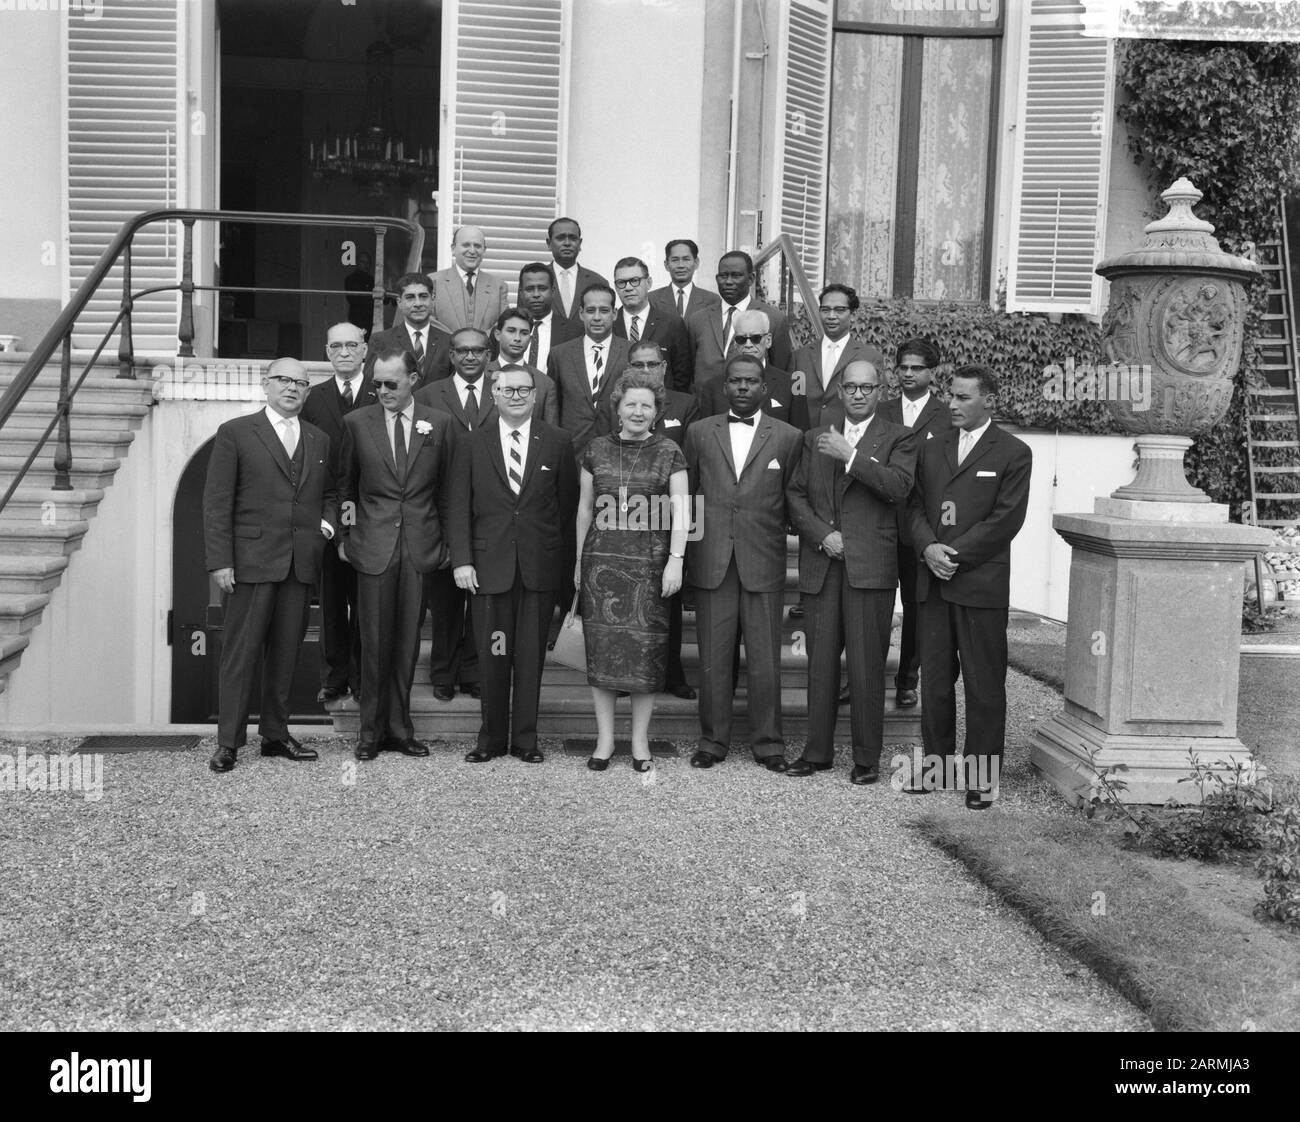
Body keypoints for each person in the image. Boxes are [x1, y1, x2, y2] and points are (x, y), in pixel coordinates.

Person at [905, 365, 1032, 809]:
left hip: (979, 587)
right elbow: (914, 506)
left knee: (982, 686)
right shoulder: (932, 446)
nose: (953, 405)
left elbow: (1006, 521)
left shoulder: (1014, 452)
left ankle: (981, 778)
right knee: (936, 682)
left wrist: (950, 555)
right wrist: (927, 549)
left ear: (987, 400)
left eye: (962, 398)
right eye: (952, 396)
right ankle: (936, 769)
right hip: (934, 585)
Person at [203, 358, 339, 773]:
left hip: (300, 564)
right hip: (250, 564)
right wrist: (220, 562)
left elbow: (330, 494)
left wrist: (326, 528)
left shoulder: (318, 439)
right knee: (241, 654)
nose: (292, 388)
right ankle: (229, 742)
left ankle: (276, 735)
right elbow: (217, 502)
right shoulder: (237, 433)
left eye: (301, 383)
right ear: (266, 384)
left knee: (286, 653)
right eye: (284, 380)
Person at [786, 360, 916, 784]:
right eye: (851, 388)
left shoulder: (899, 437)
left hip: (871, 569)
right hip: (823, 564)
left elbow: (898, 488)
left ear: (881, 391)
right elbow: (796, 497)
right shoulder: (813, 439)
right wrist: (823, 535)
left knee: (866, 666)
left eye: (867, 388)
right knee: (819, 665)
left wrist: (852, 456)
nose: (859, 394)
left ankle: (866, 759)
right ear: (839, 391)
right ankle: (817, 752)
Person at [448, 364, 578, 766]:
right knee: (492, 653)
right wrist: (462, 560)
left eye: (524, 390)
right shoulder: (472, 443)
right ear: (494, 395)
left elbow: (567, 508)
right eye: (509, 390)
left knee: (529, 655)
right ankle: (490, 739)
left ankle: (525, 739)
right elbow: (457, 507)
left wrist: (566, 571)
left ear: (536, 396)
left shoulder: (556, 441)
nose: (517, 396)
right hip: (488, 568)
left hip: (538, 568)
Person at [685, 353, 802, 772]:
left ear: (764, 388)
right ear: (724, 386)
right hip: (712, 560)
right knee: (713, 660)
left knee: (766, 662)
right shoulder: (699, 433)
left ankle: (769, 744)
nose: (742, 388)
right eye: (735, 381)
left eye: (751, 381)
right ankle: (712, 741)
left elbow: (794, 499)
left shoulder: (789, 437)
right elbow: (687, 498)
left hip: (762, 560)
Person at [339, 346, 455, 761]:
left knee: (406, 643)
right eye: (377, 384)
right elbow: (345, 488)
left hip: (420, 546)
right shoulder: (355, 423)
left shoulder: (439, 424)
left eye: (391, 383)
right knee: (373, 643)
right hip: (372, 547)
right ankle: (369, 732)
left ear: (413, 379)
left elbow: (448, 490)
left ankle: (400, 729)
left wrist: (447, 544)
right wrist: (347, 536)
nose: (383, 390)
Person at [575, 369, 689, 771]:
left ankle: (640, 741)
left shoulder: (669, 451)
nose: (638, 411)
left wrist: (676, 561)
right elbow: (585, 509)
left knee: (646, 657)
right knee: (603, 655)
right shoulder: (595, 449)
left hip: (650, 569)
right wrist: (578, 562)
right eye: (631, 404)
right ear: (618, 409)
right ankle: (604, 740)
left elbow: (682, 512)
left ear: (656, 411)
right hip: (601, 566)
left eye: (646, 405)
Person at [599, 340, 700, 700]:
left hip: (666, 517)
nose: (645, 370)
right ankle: (623, 672)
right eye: (638, 364)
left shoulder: (686, 404)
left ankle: (671, 673)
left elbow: (692, 464)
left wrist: (681, 544)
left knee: (664, 606)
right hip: (618, 518)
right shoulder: (623, 403)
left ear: (664, 365)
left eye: (652, 363)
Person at [414, 327, 494, 703]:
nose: (470, 357)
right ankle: (443, 671)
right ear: (451, 355)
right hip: (441, 506)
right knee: (445, 600)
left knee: (481, 600)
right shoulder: (428, 395)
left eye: (477, 350)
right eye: (462, 351)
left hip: (491, 509)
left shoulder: (504, 391)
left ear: (488, 355)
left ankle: (473, 670)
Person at [301, 322, 377, 703]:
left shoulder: (382, 393)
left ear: (365, 349)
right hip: (328, 510)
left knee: (365, 600)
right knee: (331, 598)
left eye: (352, 345)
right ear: (327, 352)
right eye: (336, 346)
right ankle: (334, 676)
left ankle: (363, 678)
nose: (344, 352)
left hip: (371, 509)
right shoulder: (313, 399)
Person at [879, 336, 950, 708]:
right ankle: (861, 678)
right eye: (903, 367)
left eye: (917, 368)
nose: (908, 373)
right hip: (879, 521)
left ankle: (907, 679)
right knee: (872, 605)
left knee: (916, 607)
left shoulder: (945, 416)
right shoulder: (881, 409)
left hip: (920, 526)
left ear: (932, 372)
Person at [686, 250, 793, 386]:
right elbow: (689, 371)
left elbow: (781, 372)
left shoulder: (774, 318)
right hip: (705, 404)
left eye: (736, 276)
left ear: (751, 279)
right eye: (723, 276)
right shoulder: (698, 319)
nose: (729, 282)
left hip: (754, 403)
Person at [548, 282, 629, 455]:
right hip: (573, 449)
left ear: (614, 314)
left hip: (619, 450)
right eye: (591, 310)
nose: (597, 317)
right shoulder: (559, 354)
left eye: (604, 310)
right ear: (581, 313)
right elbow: (554, 407)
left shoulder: (630, 353)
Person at [694, 308, 805, 429]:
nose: (748, 345)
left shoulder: (791, 385)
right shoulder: (713, 387)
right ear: (735, 344)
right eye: (741, 339)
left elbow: (800, 434)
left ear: (768, 340)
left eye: (755, 338)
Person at [790, 284, 877, 428]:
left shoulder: (870, 357)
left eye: (839, 310)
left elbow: (878, 407)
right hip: (804, 442)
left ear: (853, 314)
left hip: (847, 443)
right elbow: (793, 402)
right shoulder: (799, 357)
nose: (831, 316)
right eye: (825, 310)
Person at [610, 256, 692, 391]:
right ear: (616, 287)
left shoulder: (672, 323)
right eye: (621, 282)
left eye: (635, 281)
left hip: (662, 406)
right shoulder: (609, 324)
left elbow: (682, 375)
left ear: (648, 283)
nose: (628, 287)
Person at [364, 272, 452, 384]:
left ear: (433, 299)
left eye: (423, 296)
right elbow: (370, 385)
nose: (418, 303)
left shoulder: (448, 341)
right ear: (399, 302)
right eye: (410, 298)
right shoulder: (381, 341)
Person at [488, 305, 561, 426]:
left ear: (530, 339)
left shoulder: (545, 384)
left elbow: (550, 435)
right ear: (497, 334)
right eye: (511, 331)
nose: (517, 338)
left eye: (524, 333)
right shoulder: (481, 375)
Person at [429, 225, 509, 334]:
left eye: (477, 246)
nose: (472, 251)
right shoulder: (434, 282)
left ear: (484, 250)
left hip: (485, 348)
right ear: (453, 249)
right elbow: (429, 320)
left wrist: (480, 341)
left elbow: (503, 323)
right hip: (445, 349)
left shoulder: (498, 286)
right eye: (466, 245)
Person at [517, 262, 582, 372]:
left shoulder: (574, 332)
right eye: (529, 289)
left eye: (542, 288)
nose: (536, 294)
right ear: (521, 293)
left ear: (553, 291)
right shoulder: (505, 329)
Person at [546, 217, 608, 331]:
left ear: (580, 244)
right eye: (560, 238)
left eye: (573, 238)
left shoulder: (598, 282)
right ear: (549, 243)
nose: (567, 243)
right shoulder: (536, 280)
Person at [649, 238, 721, 322]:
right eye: (675, 260)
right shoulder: (651, 299)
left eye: (686, 259)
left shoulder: (711, 300)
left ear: (696, 262)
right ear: (666, 265)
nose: (681, 265)